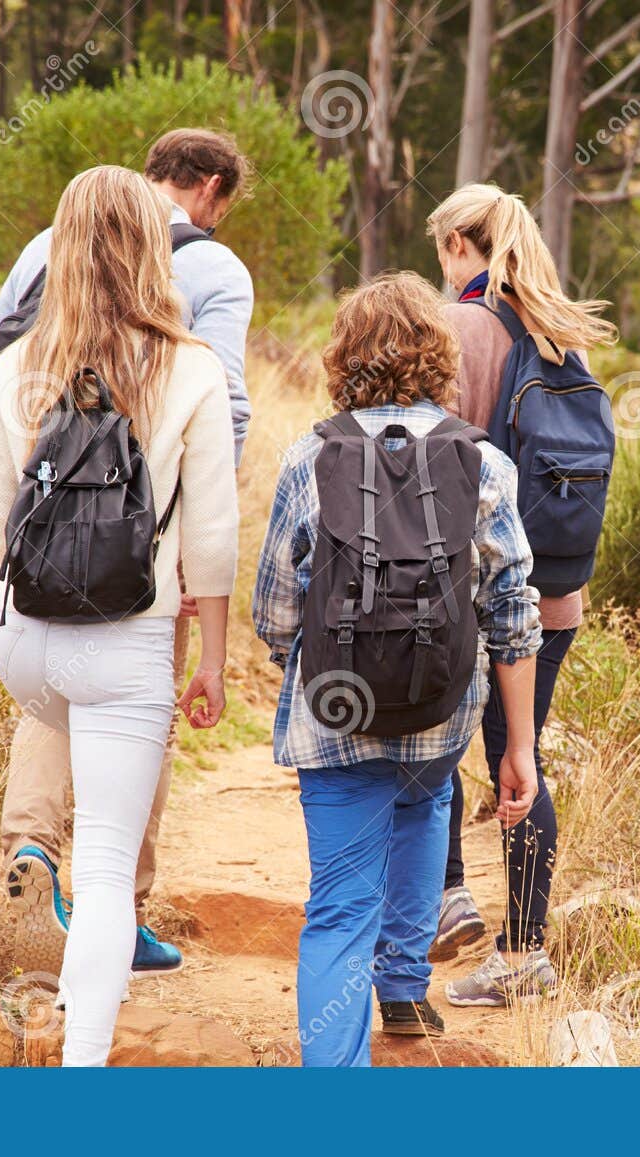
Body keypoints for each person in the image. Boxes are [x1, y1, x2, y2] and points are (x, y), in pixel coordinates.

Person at [0, 165, 238, 1066]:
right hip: (127, 641)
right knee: (110, 868)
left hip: (24, 643)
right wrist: (215, 661)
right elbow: (215, 538)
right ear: (156, 245)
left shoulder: (15, 363)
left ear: (62, 246)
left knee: (65, 733)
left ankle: (49, 930)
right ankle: (81, 1070)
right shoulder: (190, 366)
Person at [253, 273, 542, 1066]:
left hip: (334, 715)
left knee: (339, 906)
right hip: (440, 710)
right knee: (426, 805)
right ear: (436, 355)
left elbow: (275, 610)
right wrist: (518, 746)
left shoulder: (309, 457)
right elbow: (514, 613)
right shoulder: (481, 464)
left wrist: (322, 669)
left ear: (343, 357)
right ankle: (405, 985)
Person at [423, 184, 619, 1005]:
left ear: (461, 246)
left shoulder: (463, 329)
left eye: (442, 250)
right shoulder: (562, 337)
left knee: (427, 747)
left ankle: (449, 899)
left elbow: (429, 466)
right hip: (555, 598)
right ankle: (524, 950)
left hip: (473, 591)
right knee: (521, 759)